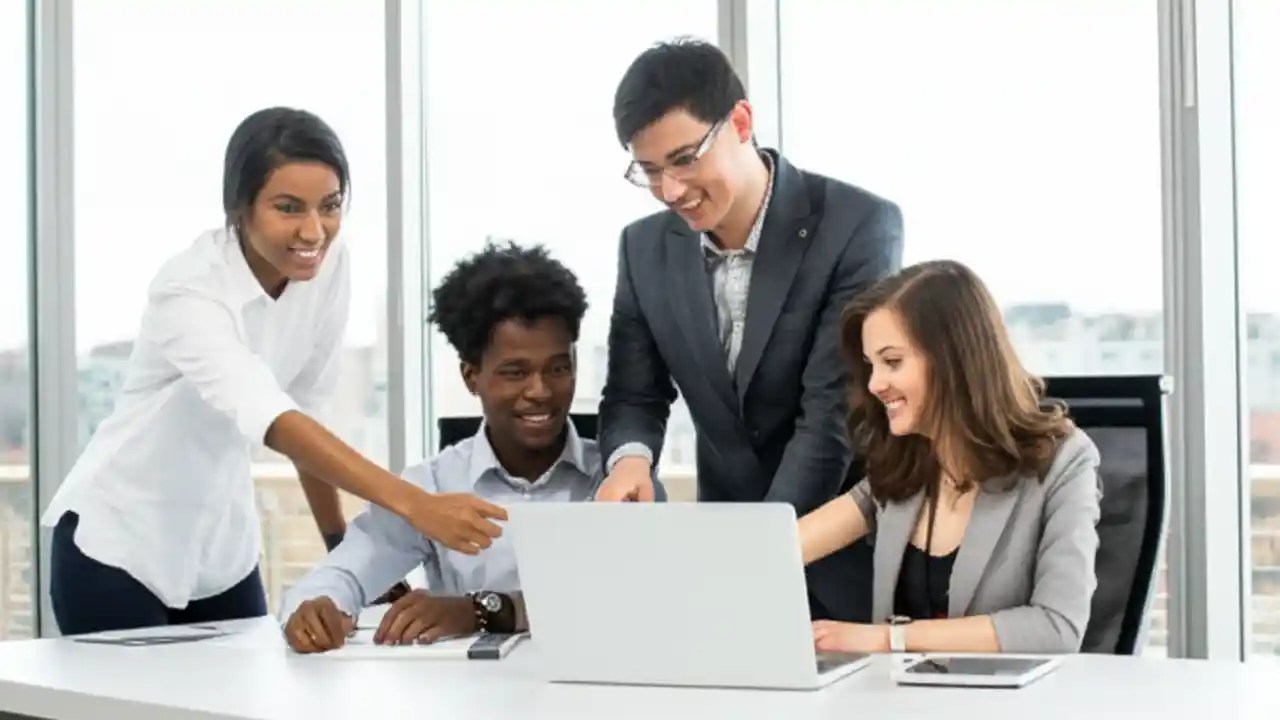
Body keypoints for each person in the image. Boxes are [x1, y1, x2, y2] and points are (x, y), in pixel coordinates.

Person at [42, 107, 505, 635]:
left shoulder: (329, 265)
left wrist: (340, 545)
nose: (314, 230)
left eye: (329, 206)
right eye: (288, 208)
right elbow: (273, 418)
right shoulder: (188, 290)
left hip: (221, 553)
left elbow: (305, 411)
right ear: (239, 208)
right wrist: (416, 505)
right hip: (119, 545)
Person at [594, 38, 903, 618]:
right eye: (651, 171)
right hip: (727, 559)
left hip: (847, 564)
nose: (671, 191)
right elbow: (635, 392)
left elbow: (832, 416)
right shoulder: (643, 248)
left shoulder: (857, 226)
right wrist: (631, 460)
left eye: (685, 160)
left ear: (740, 121)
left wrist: (756, 557)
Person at [280, 242, 599, 653]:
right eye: (515, 372)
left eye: (558, 368)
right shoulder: (434, 486)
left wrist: (480, 611)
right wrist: (315, 609)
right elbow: (343, 573)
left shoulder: (615, 479)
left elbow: (636, 603)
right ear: (471, 377)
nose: (540, 391)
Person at [798, 260, 1103, 655]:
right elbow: (781, 548)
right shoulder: (905, 464)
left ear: (952, 359)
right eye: (872, 366)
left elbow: (1055, 628)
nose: (875, 384)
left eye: (892, 362)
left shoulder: (1064, 462)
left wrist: (886, 640)